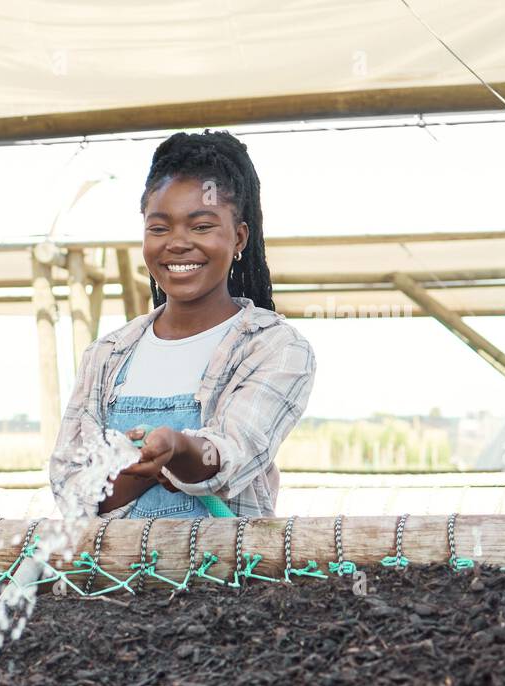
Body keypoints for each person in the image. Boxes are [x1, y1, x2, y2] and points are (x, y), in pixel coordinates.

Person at [49, 129, 315, 519]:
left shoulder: (273, 348)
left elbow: (232, 455)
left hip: (224, 576)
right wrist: (153, 464)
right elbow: (73, 488)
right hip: (116, 579)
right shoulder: (106, 356)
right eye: (159, 228)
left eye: (201, 226)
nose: (177, 243)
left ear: (239, 238)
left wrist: (179, 450)